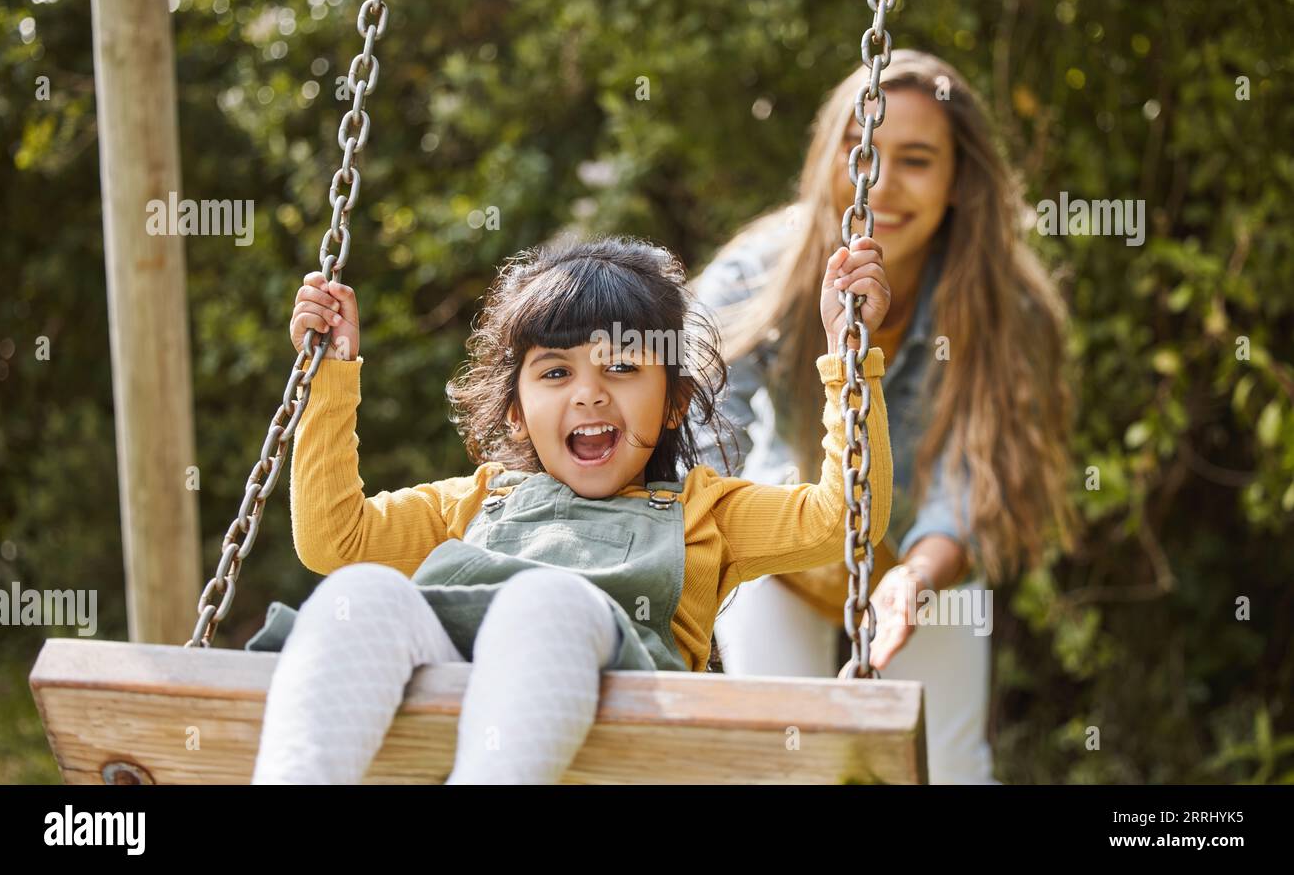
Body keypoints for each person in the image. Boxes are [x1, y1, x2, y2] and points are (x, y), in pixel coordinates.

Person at [246, 234, 894, 784]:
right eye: (555, 373)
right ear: (516, 413)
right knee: (363, 593)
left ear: (673, 404)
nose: (588, 394)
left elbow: (844, 518)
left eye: (620, 367)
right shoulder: (477, 499)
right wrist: (329, 374)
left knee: (546, 600)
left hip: (627, 730)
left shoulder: (707, 511)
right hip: (456, 692)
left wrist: (849, 358)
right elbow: (334, 539)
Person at [685, 50, 1074, 785]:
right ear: (832, 156)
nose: (883, 185)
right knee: (782, 763)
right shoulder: (762, 271)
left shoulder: (1003, 306)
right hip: (784, 540)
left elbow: (975, 472)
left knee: (949, 768)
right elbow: (704, 424)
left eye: (918, 159)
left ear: (959, 179)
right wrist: (742, 533)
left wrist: (917, 577)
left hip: (923, 561)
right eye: (863, 152)